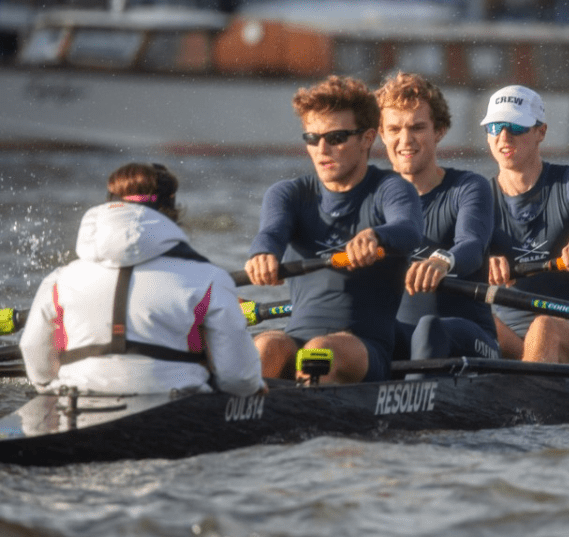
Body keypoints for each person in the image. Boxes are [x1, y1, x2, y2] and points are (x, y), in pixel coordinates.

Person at [20, 163, 264, 396]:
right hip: (176, 402)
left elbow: (32, 348)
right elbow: (238, 378)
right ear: (172, 211)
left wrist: (48, 390)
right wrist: (250, 388)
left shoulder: (59, 279)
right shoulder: (209, 277)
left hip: (74, 398)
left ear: (108, 207)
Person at [244, 75, 422, 383]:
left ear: (367, 138)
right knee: (264, 347)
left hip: (364, 347)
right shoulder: (287, 194)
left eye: (336, 137)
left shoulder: (390, 189)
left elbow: (409, 229)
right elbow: (271, 233)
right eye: (312, 138)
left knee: (319, 351)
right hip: (296, 338)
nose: (322, 148)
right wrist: (262, 254)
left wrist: (375, 235)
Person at [485, 84, 569, 363]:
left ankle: (524, 399)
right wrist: (478, 260)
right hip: (508, 337)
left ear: (540, 132)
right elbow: (457, 249)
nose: (504, 137)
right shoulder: (478, 196)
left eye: (516, 127)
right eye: (495, 127)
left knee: (543, 327)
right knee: (459, 321)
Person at [376, 72, 500, 360]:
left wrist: (441, 261)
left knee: (428, 329)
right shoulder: (369, 199)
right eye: (394, 129)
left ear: (439, 130)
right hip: (400, 336)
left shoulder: (468, 188)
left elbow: (471, 245)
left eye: (417, 127)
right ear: (381, 135)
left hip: (469, 339)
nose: (405, 140)